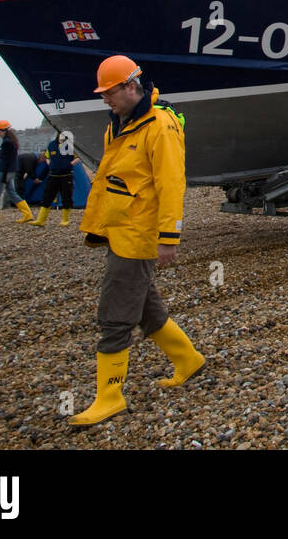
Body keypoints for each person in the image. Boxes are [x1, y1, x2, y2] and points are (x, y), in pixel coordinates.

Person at [68, 55, 205, 427]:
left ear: (131, 87)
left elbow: (171, 183)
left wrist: (169, 237)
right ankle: (188, 359)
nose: (105, 100)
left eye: (109, 92)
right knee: (145, 305)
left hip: (138, 235)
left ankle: (109, 396)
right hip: (118, 228)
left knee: (115, 313)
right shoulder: (119, 125)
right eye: (102, 94)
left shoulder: (159, 126)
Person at [0, 120, 33, 224]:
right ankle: (27, 214)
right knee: (12, 193)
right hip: (11, 171)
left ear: (4, 131)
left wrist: (3, 175)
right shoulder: (12, 141)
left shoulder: (6, 143)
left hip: (4, 171)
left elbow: (6, 160)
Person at [34, 133, 79, 227]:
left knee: (66, 196)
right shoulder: (51, 145)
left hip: (66, 175)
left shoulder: (70, 145)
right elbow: (47, 156)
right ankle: (41, 220)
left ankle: (65, 220)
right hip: (53, 175)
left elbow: (78, 157)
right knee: (47, 196)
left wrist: (70, 164)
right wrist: (50, 164)